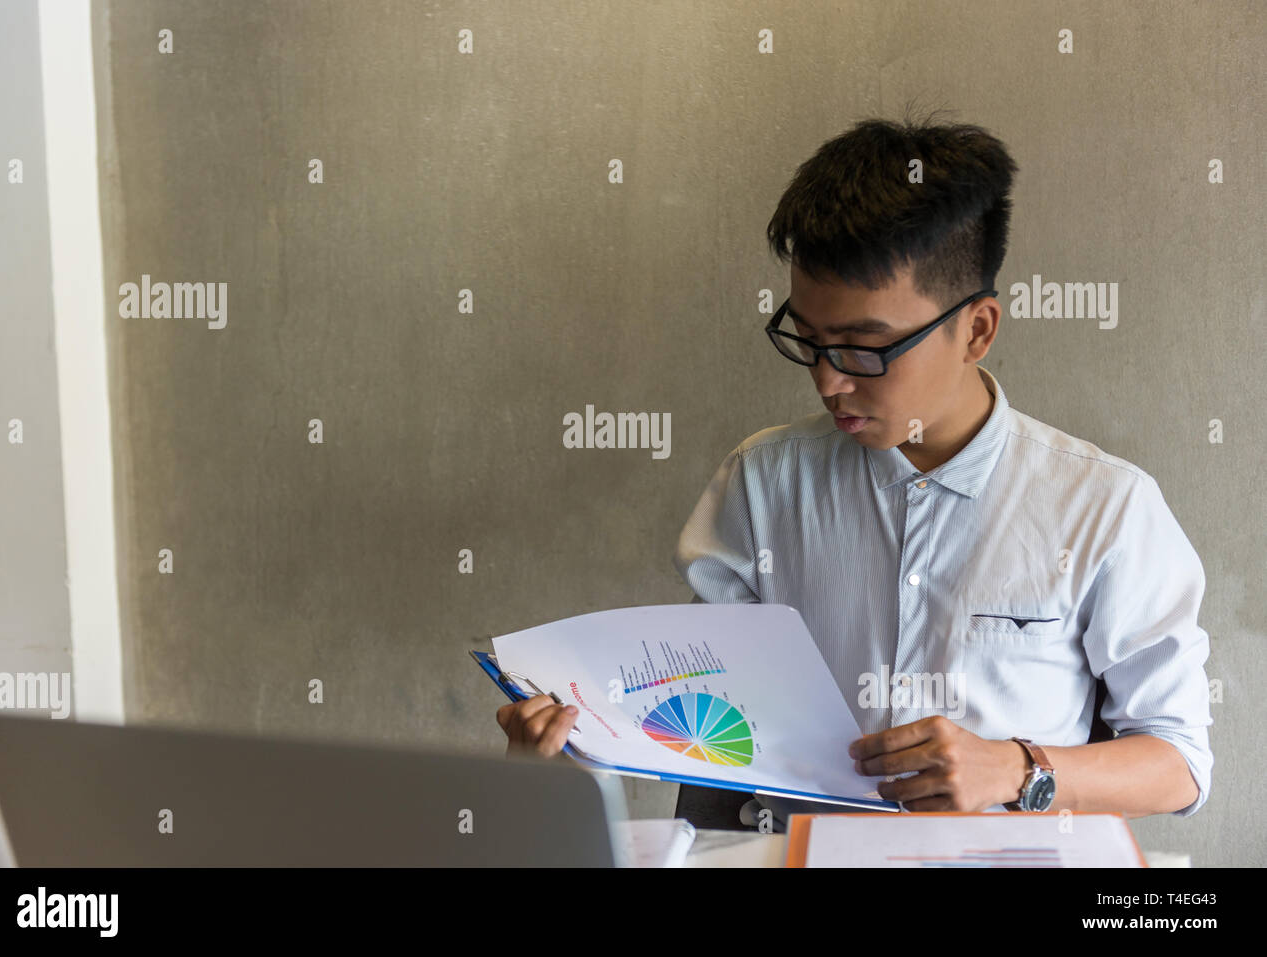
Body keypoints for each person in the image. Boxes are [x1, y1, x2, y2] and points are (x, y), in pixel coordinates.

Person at [498, 112, 1212, 820]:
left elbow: (1179, 760)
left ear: (978, 329)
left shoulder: (1105, 507)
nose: (828, 380)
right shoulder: (764, 482)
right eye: (808, 340)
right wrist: (576, 744)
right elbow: (705, 718)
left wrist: (1018, 768)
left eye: (864, 348)